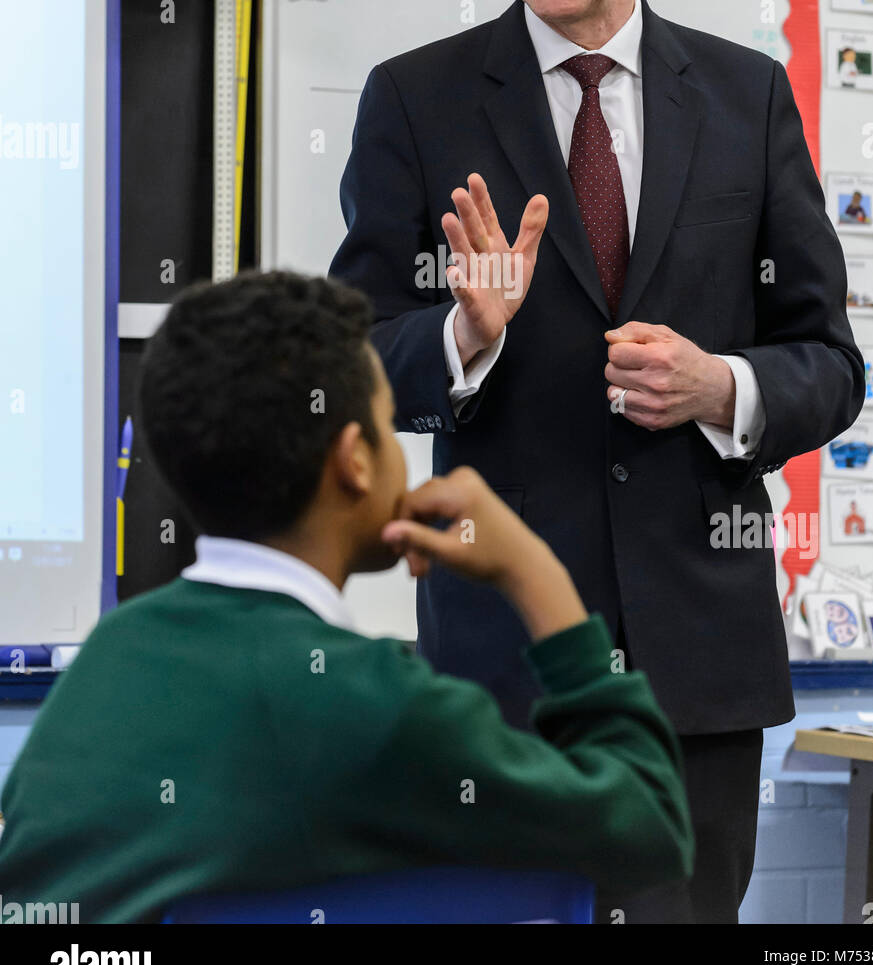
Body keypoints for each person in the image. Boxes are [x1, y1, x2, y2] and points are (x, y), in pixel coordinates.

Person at [329, 0, 866, 923]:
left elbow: (829, 362)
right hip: (500, 682)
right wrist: (464, 337)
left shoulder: (747, 98)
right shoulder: (418, 102)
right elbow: (354, 362)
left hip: (697, 682)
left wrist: (724, 385)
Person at [0, 270, 692, 924]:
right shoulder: (371, 701)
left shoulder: (110, 656)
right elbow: (650, 823)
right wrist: (533, 572)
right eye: (390, 425)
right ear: (354, 460)